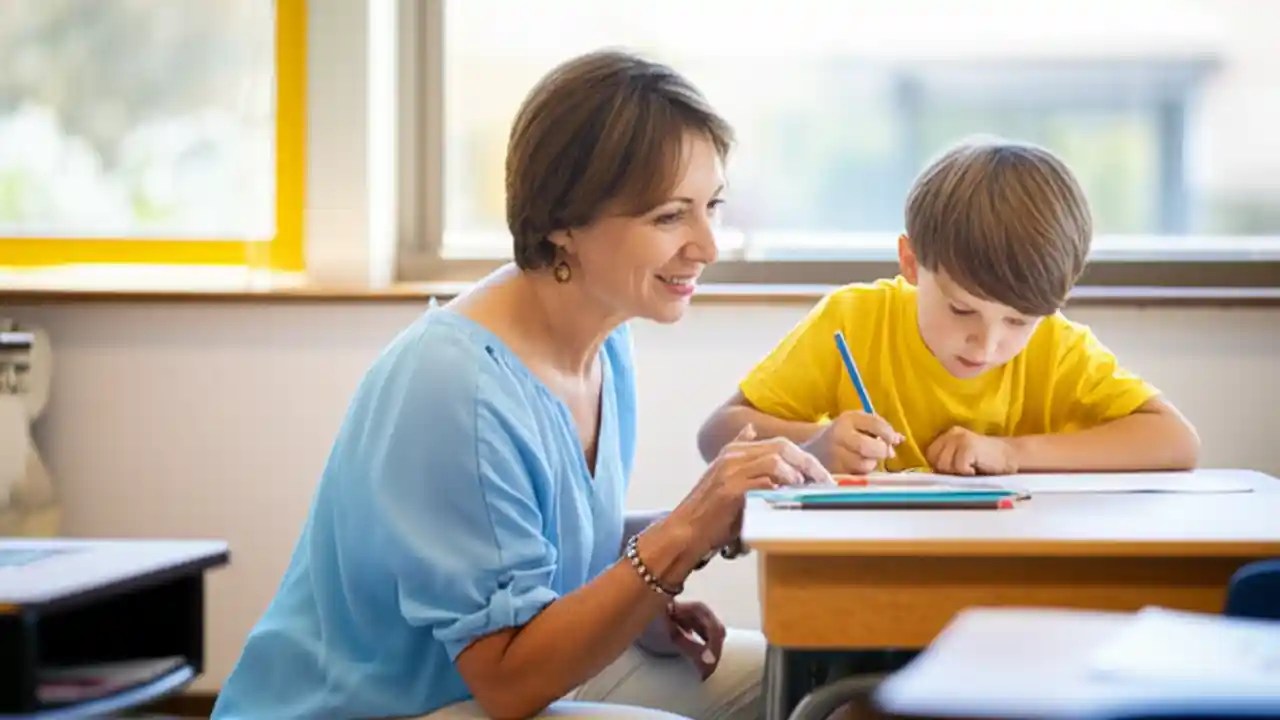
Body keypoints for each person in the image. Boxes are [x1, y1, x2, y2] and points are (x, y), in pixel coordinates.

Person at [212, 49, 830, 720]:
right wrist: (680, 535)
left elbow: (537, 540)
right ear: (564, 223)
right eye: (669, 216)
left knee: (805, 682)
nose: (708, 245)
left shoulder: (604, 339)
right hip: (390, 706)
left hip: (495, 685)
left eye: (711, 205)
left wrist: (656, 578)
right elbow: (506, 680)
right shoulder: (459, 388)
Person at [698, 137, 1200, 477]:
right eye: (962, 310)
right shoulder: (852, 320)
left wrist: (1011, 452)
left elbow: (1176, 441)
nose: (987, 344)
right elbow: (716, 435)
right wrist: (816, 443)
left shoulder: (1055, 344)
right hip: (862, 572)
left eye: (1017, 321)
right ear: (912, 262)